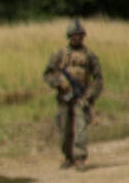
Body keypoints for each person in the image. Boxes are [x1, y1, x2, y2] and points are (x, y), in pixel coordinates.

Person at [43, 18, 103, 169]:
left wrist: (90, 96)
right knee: (64, 130)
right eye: (74, 35)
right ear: (69, 37)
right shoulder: (60, 55)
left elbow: (98, 79)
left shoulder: (90, 56)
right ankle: (68, 157)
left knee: (80, 128)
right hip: (64, 98)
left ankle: (80, 157)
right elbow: (48, 74)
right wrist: (59, 83)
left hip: (81, 98)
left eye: (80, 35)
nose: (77, 38)